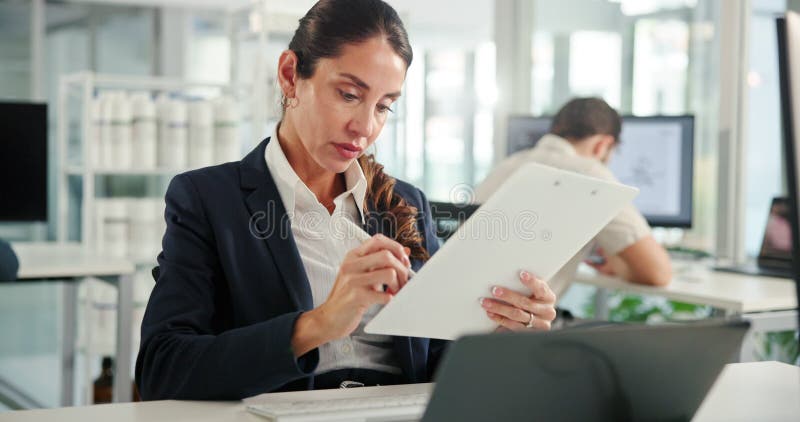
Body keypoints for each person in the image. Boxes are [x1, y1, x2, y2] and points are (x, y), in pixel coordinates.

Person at [135, 0, 557, 401]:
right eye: (349, 95)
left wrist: (500, 334)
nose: (365, 127)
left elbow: (433, 365)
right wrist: (319, 323)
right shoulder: (209, 199)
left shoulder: (406, 203)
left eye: (384, 107)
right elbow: (162, 369)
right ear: (290, 75)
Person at [475, 98, 672, 299]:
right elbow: (658, 273)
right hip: (516, 316)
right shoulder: (591, 174)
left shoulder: (508, 165)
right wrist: (620, 266)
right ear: (602, 145)